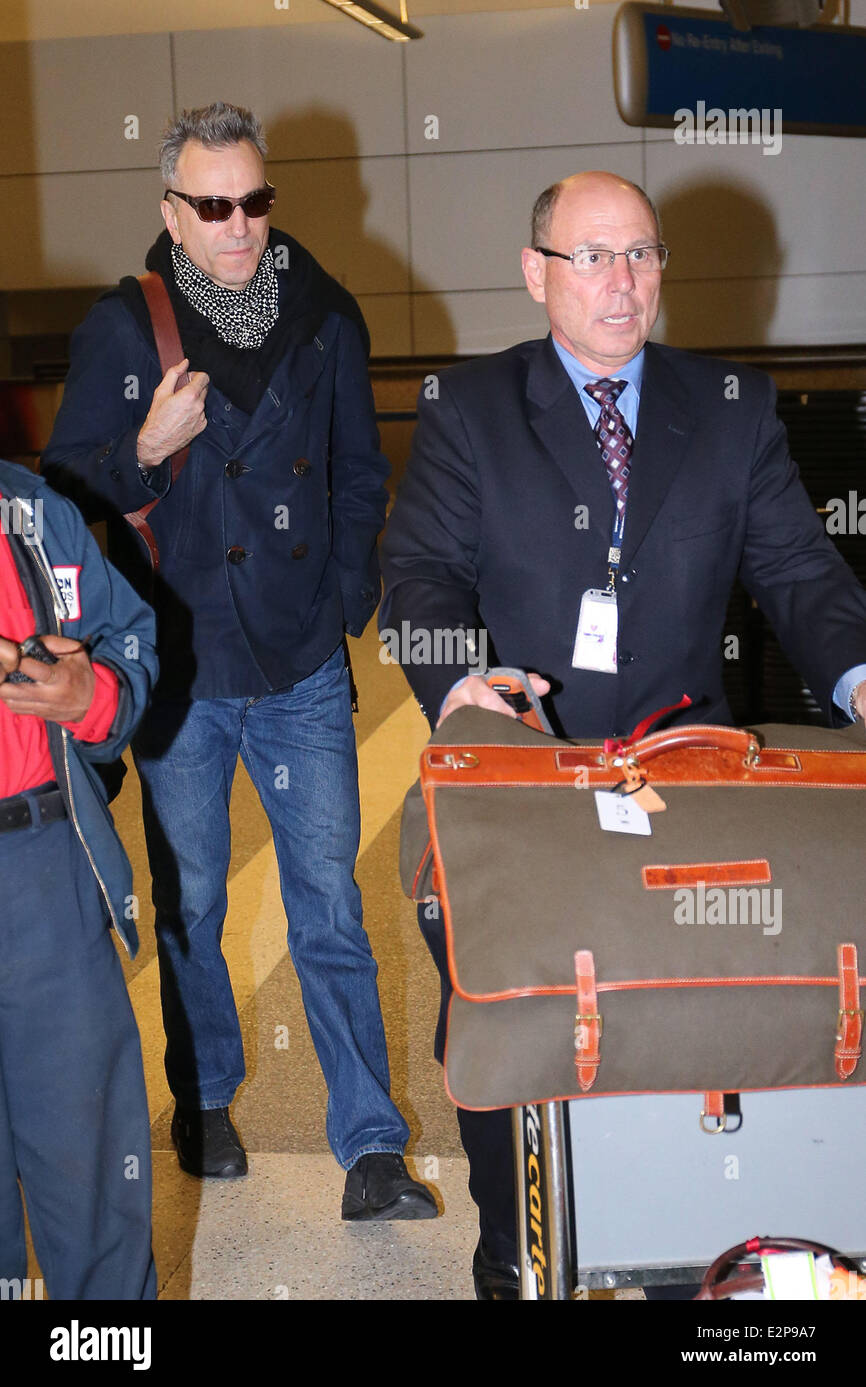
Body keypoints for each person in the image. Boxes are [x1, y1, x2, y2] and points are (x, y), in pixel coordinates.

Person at [380, 170, 866, 1295]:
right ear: (535, 272)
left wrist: (857, 676)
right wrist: (460, 684)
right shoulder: (472, 409)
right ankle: (516, 1252)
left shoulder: (731, 406)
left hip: (684, 775)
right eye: (591, 255)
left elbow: (799, 571)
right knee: (517, 1015)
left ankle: (689, 1245)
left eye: (641, 254)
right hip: (531, 782)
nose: (621, 281)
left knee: (688, 1008)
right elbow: (420, 575)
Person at [43, 101, 435, 1222]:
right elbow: (61, 493)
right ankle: (207, 1093)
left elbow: (358, 472)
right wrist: (145, 449)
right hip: (180, 664)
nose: (238, 225)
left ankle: (371, 1146)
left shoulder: (325, 314)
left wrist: (344, 595)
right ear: (171, 212)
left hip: (300, 660)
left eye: (253, 200)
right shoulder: (127, 330)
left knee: (328, 904)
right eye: (212, 207)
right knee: (195, 900)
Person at [0, 460, 157, 1299]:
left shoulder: (32, 511)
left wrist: (88, 696)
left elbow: (129, 637)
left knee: (90, 1165)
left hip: (44, 869)